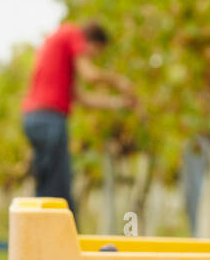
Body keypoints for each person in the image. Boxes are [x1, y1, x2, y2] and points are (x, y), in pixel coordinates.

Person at [21, 20, 134, 221]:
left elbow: (82, 98)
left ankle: (42, 241)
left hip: (33, 119)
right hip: (50, 120)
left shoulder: (59, 51)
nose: (90, 57)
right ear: (92, 42)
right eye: (94, 53)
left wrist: (118, 103)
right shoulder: (72, 33)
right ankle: (65, 245)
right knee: (60, 189)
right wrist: (120, 82)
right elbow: (90, 75)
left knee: (47, 185)